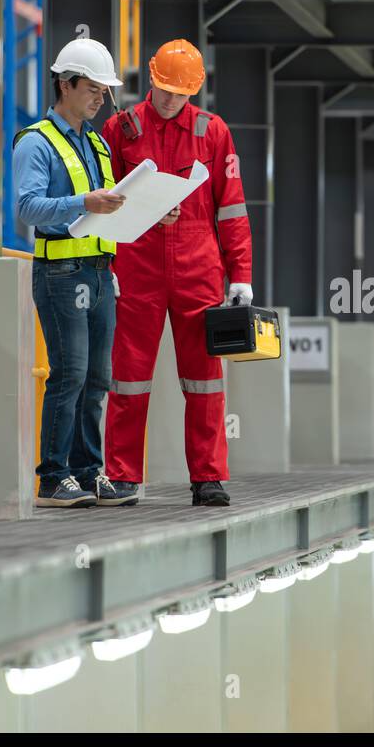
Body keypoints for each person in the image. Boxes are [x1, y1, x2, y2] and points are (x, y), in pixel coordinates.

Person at [101, 39, 253, 506]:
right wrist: (106, 263)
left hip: (198, 269)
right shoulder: (119, 129)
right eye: (165, 89)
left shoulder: (213, 132)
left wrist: (240, 274)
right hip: (137, 265)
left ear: (195, 91)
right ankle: (122, 476)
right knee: (128, 375)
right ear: (151, 78)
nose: (170, 100)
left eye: (180, 92)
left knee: (205, 378)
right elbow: (103, 200)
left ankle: (208, 477)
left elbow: (230, 208)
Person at [14, 37, 138, 507]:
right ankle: (52, 476)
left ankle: (88, 472)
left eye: (105, 91)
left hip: (101, 273)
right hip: (61, 272)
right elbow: (28, 207)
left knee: (97, 378)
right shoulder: (36, 142)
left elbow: (105, 209)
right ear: (65, 84)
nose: (100, 98)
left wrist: (143, 211)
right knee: (70, 374)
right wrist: (82, 203)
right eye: (93, 88)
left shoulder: (98, 144)